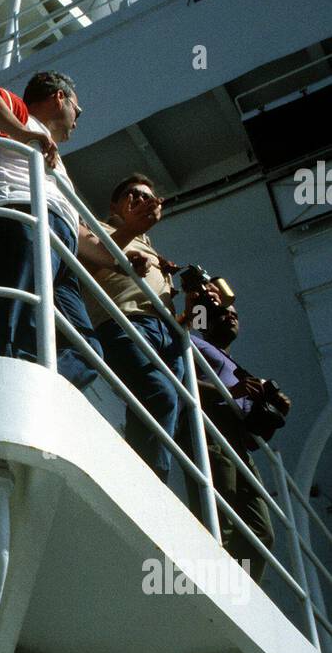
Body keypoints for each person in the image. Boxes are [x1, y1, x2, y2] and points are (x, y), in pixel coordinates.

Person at [0, 70, 104, 390]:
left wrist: (128, 258)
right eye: (77, 111)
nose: (77, 121)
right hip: (19, 220)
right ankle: (10, 390)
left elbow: (83, 236)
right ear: (59, 97)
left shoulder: (53, 157)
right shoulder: (22, 117)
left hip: (58, 240)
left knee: (88, 351)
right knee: (20, 327)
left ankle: (32, 389)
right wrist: (23, 134)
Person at [79, 174, 183, 483]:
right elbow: (83, 270)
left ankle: (143, 478)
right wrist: (129, 230)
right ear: (114, 206)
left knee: (163, 409)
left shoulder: (155, 253)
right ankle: (151, 484)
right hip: (124, 322)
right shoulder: (100, 230)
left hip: (167, 335)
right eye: (132, 195)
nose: (140, 199)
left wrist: (191, 313)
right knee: (158, 395)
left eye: (146, 196)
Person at [179, 294, 289, 583]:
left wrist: (272, 414)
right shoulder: (194, 341)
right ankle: (209, 585)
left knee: (261, 531)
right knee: (219, 512)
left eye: (234, 314)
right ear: (206, 320)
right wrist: (234, 392)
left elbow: (253, 438)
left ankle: (239, 592)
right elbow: (180, 379)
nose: (231, 316)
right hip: (209, 430)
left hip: (238, 444)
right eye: (222, 312)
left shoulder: (234, 365)